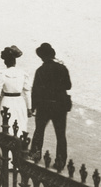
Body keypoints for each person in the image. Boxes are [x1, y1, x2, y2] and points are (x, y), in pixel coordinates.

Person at [29, 42, 72, 171]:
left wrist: (33, 107)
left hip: (44, 105)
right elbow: (68, 86)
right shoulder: (62, 68)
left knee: (39, 131)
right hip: (60, 106)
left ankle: (35, 154)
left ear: (42, 57)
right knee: (60, 134)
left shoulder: (40, 71)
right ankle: (60, 161)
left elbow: (35, 91)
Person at [0, 46, 31, 138]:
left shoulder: (2, 73)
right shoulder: (23, 73)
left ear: (5, 62)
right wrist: (29, 108)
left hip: (6, 101)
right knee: (20, 124)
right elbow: (27, 92)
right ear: (15, 61)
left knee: (6, 124)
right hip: (20, 102)